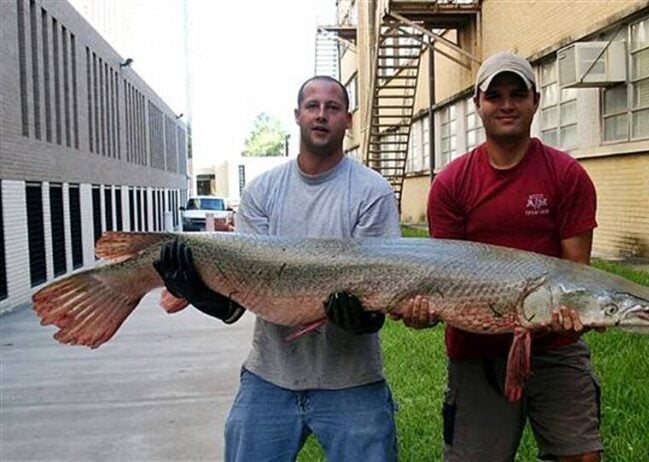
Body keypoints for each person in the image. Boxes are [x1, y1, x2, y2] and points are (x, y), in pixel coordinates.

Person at [153, 75, 400, 461]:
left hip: (352, 379)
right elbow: (241, 298)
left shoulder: (372, 192)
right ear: (298, 116)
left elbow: (379, 288)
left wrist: (364, 317)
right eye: (313, 106)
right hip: (270, 376)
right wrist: (202, 293)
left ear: (348, 120)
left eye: (332, 108)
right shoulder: (262, 192)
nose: (322, 115)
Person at [404, 51, 603, 461]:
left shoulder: (567, 175)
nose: (507, 104)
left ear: (536, 99)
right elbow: (445, 276)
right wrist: (423, 310)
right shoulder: (451, 183)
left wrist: (577, 311)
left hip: (556, 346)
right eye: (495, 95)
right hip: (477, 352)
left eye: (517, 94)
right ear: (478, 103)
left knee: (581, 457)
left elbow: (576, 273)